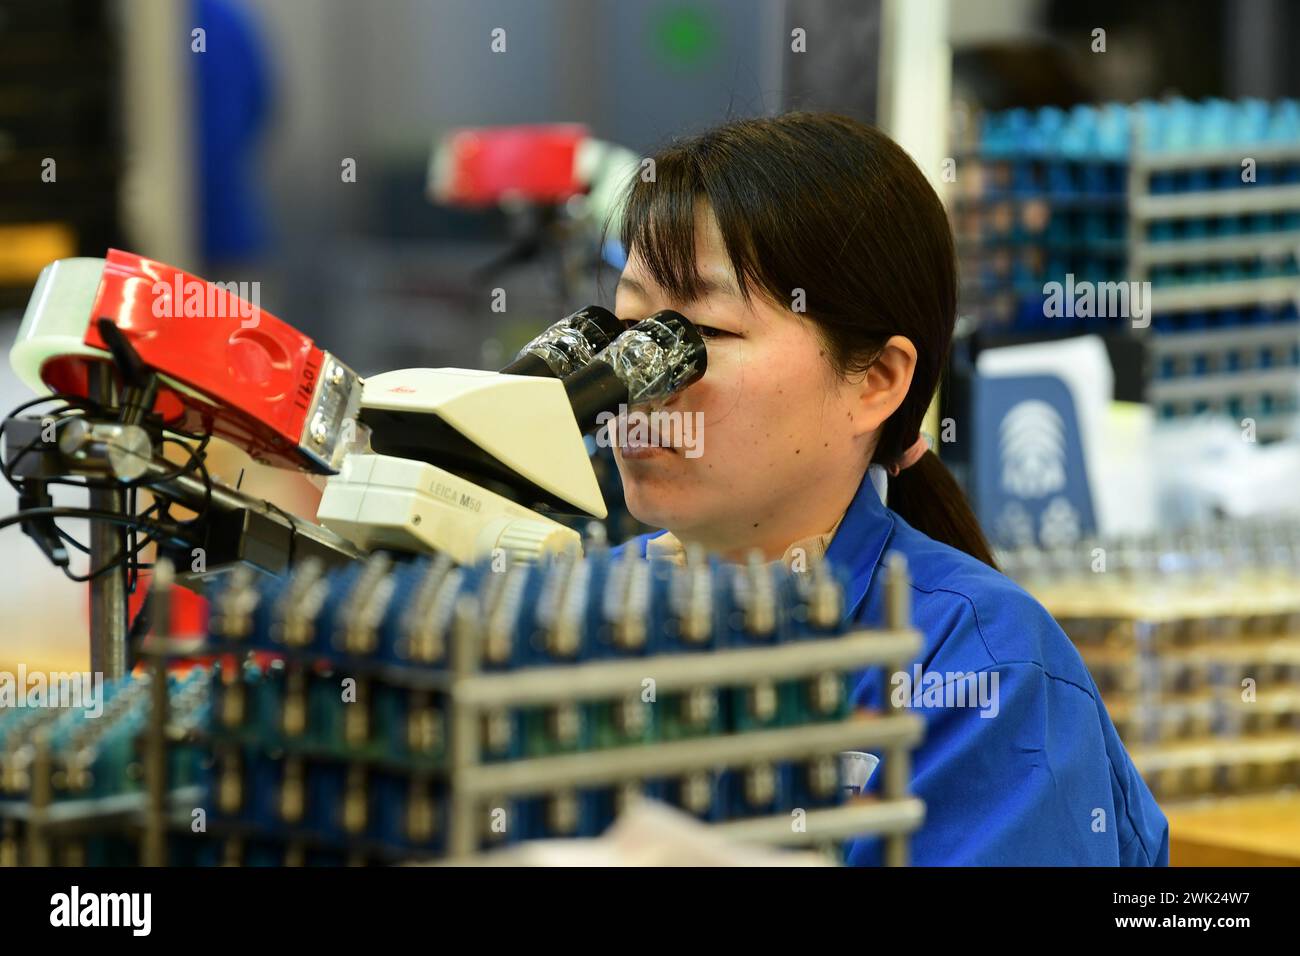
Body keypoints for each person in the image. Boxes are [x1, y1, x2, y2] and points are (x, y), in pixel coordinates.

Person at [605, 111, 1168, 865]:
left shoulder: (982, 673)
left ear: (877, 380)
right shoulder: (585, 609)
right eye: (629, 324)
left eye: (701, 334)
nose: (638, 378)